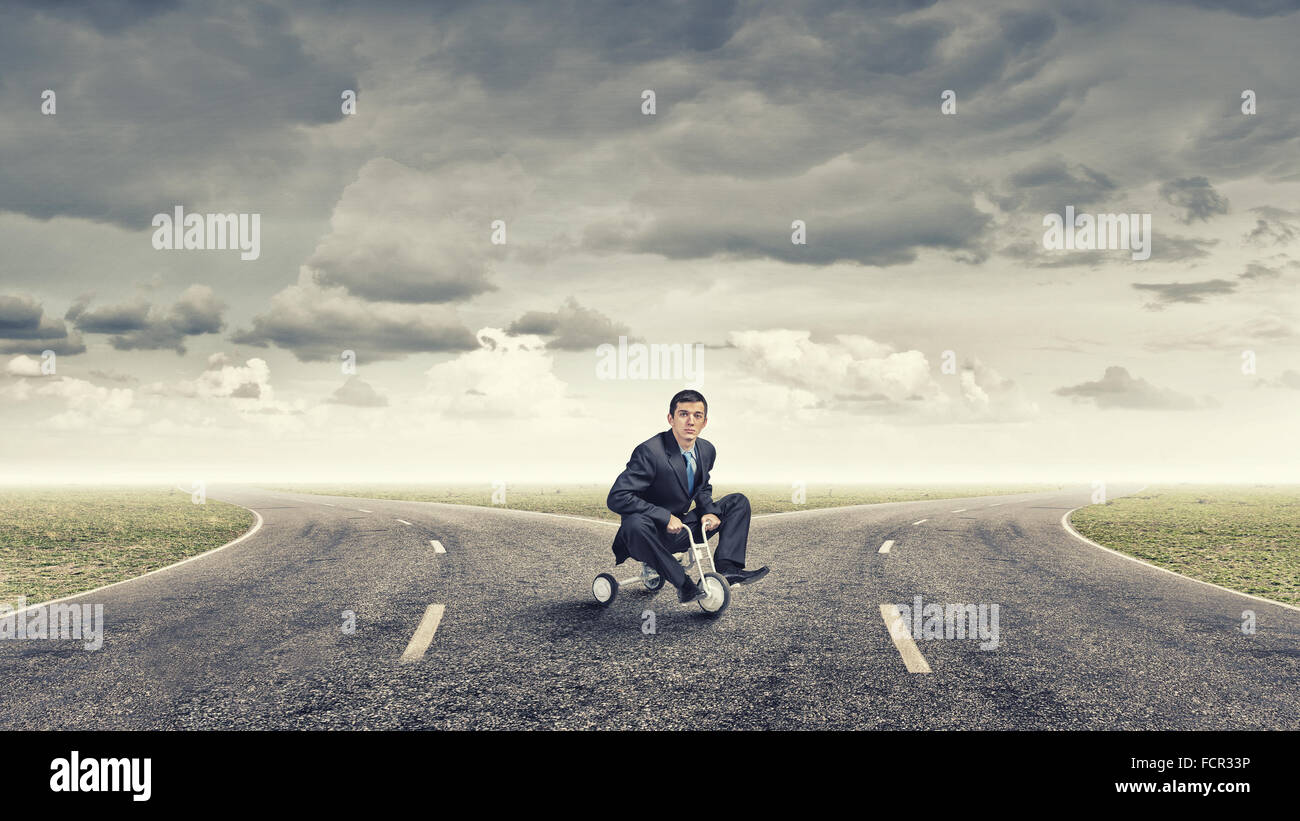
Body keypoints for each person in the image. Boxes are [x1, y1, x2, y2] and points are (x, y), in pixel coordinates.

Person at [606, 389, 769, 604]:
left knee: (737, 502)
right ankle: (684, 585)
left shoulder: (707, 450)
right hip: (645, 535)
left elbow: (701, 487)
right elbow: (617, 496)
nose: (690, 421)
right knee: (635, 523)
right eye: (683, 414)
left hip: (681, 530)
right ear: (671, 419)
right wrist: (664, 517)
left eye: (697, 416)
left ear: (705, 422)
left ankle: (728, 568)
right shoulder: (650, 452)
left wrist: (708, 511)